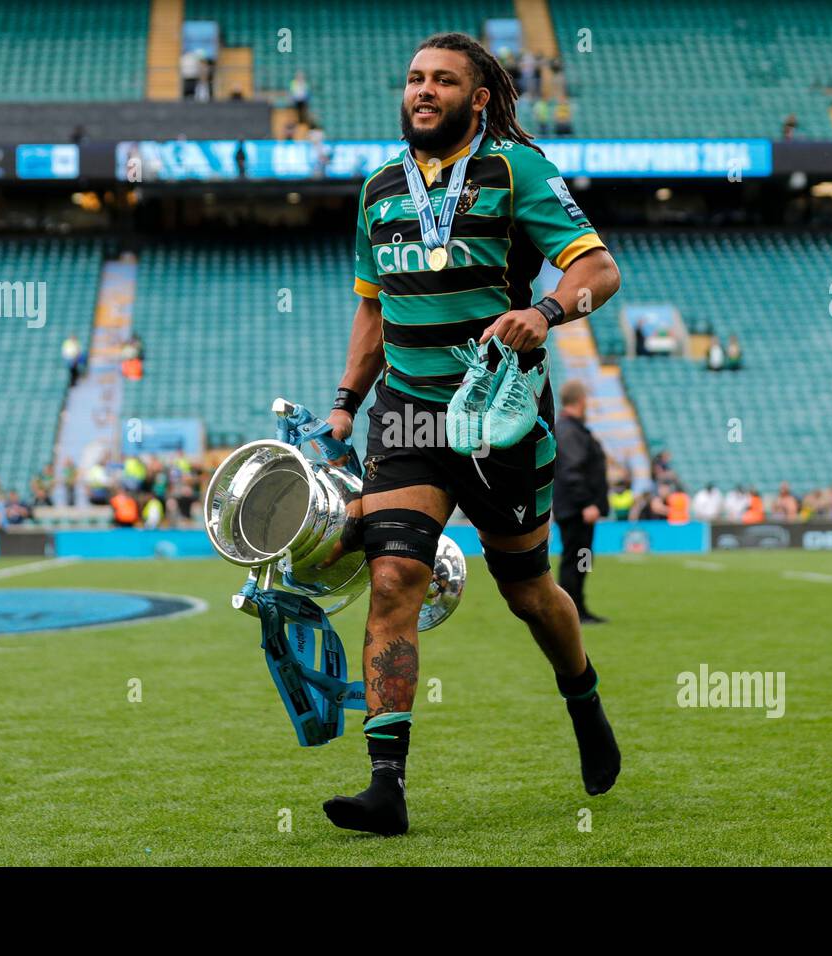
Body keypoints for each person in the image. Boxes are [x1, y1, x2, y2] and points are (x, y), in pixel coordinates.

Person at [320, 32, 623, 836]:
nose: (423, 91)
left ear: (477, 96)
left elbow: (599, 270)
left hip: (499, 417)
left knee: (527, 590)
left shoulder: (518, 170)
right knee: (392, 581)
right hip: (409, 414)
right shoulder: (378, 188)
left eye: (443, 80)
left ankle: (584, 697)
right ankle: (386, 785)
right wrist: (348, 400)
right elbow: (373, 306)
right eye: (415, 78)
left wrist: (547, 310)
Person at [554, 380, 611, 624]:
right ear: (580, 401)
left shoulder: (572, 429)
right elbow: (572, 471)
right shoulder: (569, 430)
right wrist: (587, 503)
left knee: (581, 559)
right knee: (575, 560)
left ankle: (578, 608)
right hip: (577, 510)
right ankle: (572, 611)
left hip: (577, 509)